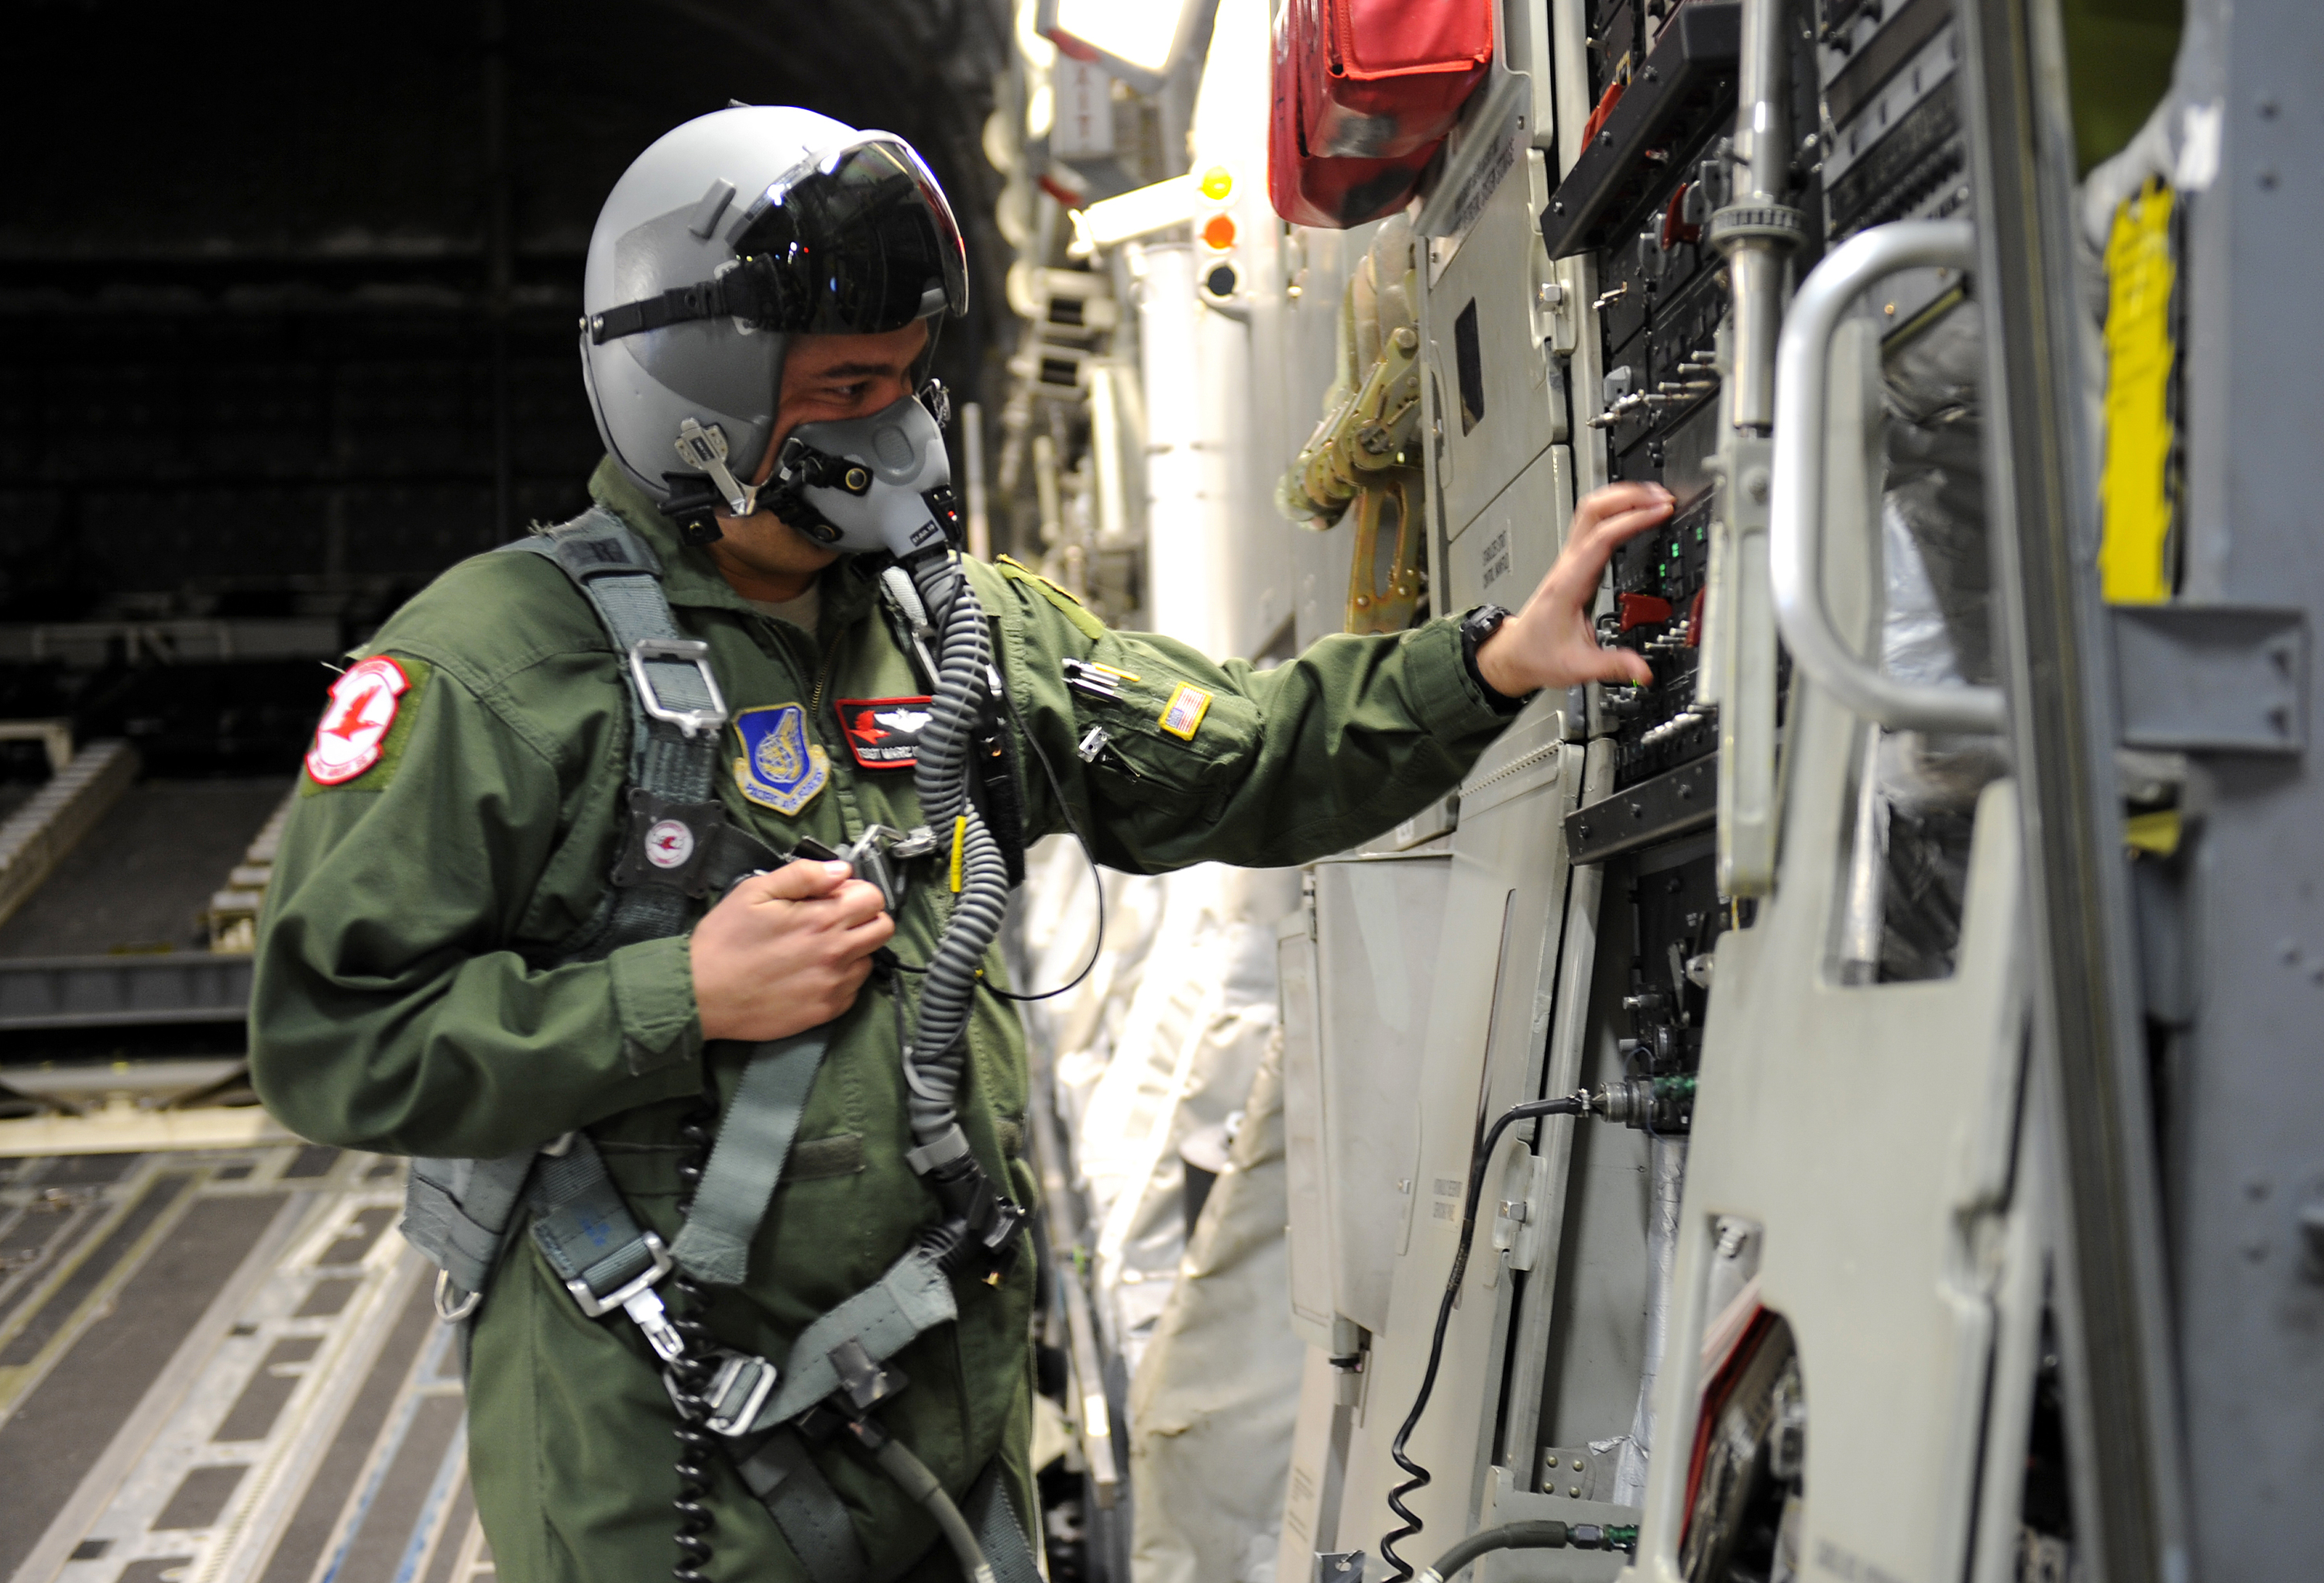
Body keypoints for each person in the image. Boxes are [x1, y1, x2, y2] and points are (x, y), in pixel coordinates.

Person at [249, 104, 1672, 1583]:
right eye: (849, 386)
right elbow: (330, 1039)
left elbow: (1240, 753)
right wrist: (677, 999)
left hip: (945, 1442)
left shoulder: (960, 631)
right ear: (697, 404)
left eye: (912, 379)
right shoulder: (491, 669)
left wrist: (1491, 663)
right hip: (665, 1476)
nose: (903, 428)